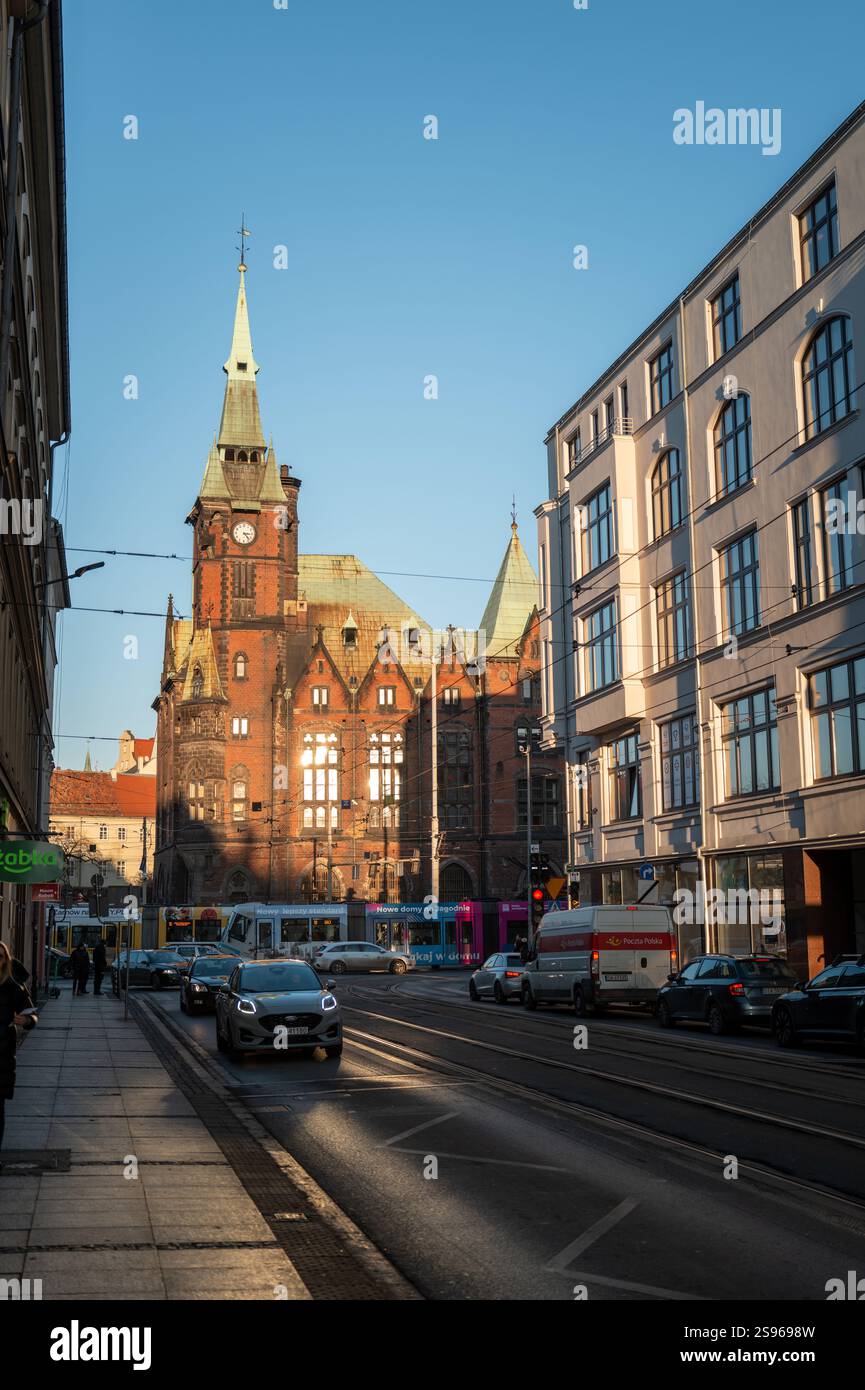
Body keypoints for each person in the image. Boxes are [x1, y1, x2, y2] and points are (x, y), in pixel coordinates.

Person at [0, 940, 38, 1172]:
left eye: (1, 957)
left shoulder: (13, 987)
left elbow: (32, 1013)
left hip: (2, 1055)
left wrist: (26, 1021)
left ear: (7, 961)